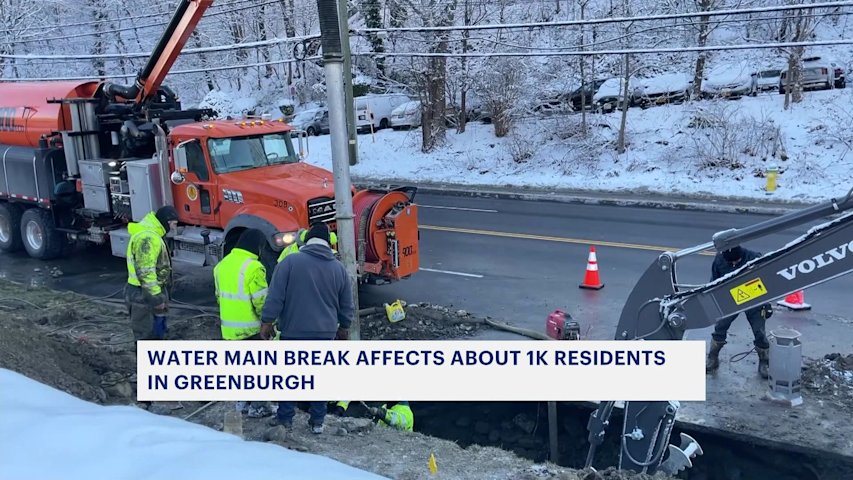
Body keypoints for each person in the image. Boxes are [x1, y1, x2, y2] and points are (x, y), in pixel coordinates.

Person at [261, 222, 353, 434]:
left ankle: (285, 419)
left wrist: (267, 321)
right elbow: (346, 304)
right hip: (325, 334)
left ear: (307, 240)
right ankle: (317, 422)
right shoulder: (338, 269)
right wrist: (343, 328)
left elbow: (276, 296)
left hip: (294, 332)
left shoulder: (290, 262)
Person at [213, 229, 272, 418]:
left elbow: (218, 297)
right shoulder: (254, 267)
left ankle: (241, 402)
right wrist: (269, 322)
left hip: (229, 330)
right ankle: (258, 407)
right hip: (251, 329)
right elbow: (261, 301)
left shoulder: (221, 266)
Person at [706, 245, 774, 378]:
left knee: (759, 332)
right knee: (720, 327)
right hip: (730, 299)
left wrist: (766, 304)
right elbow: (714, 283)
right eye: (730, 263)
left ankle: (764, 362)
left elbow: (767, 282)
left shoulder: (754, 258)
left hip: (754, 298)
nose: (733, 264)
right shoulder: (720, 260)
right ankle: (712, 358)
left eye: (736, 262)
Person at [125, 206, 178, 341]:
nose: (173, 228)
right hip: (143, 294)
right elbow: (145, 272)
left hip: (145, 292)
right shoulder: (148, 238)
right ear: (166, 221)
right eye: (173, 224)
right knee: (146, 335)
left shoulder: (151, 235)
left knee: (156, 331)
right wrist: (156, 298)